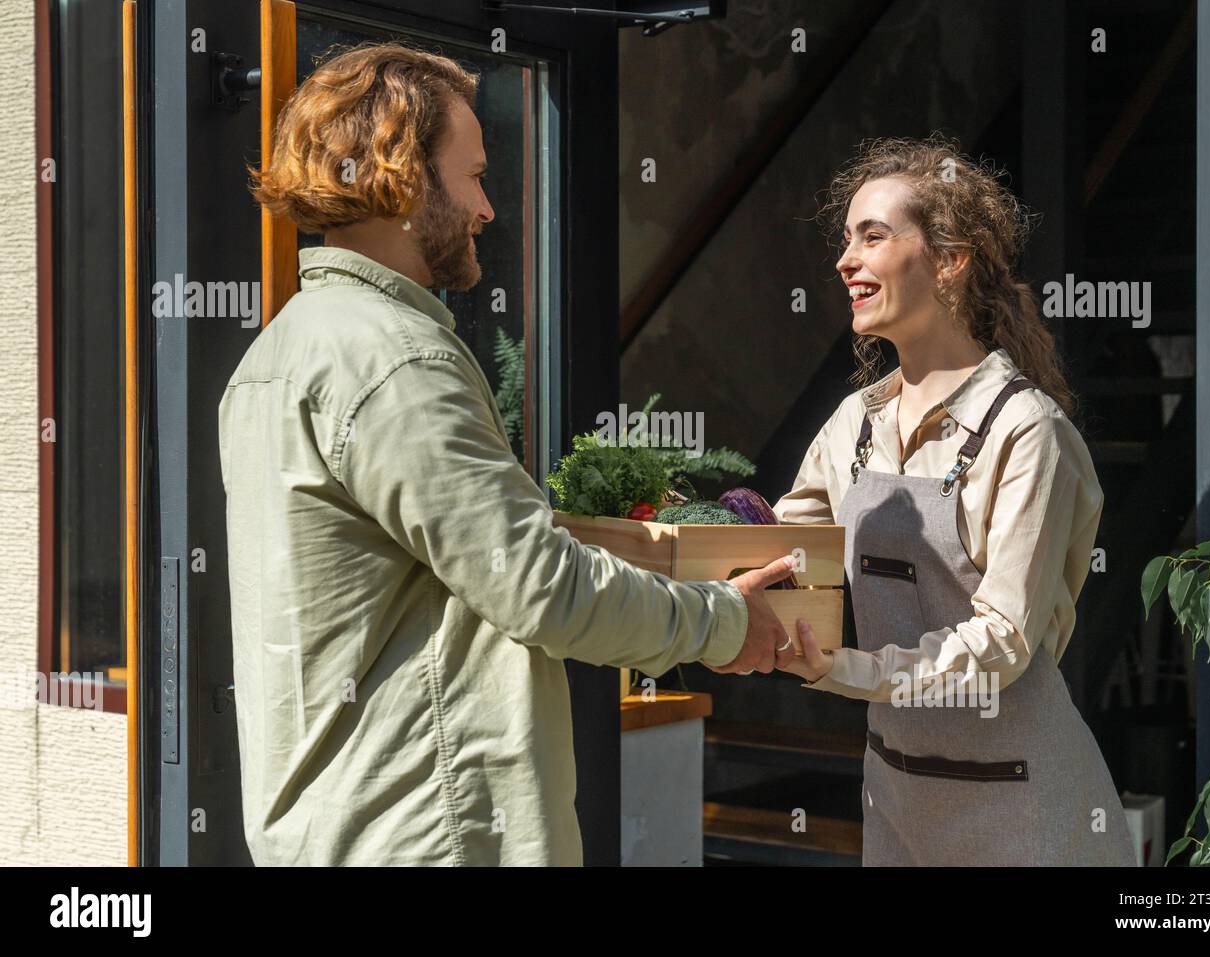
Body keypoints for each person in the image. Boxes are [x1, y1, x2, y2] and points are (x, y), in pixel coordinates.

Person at [218, 42, 799, 866]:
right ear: (403, 176)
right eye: (475, 175)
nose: (490, 207)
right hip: (430, 833)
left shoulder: (277, 356)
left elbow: (447, 562)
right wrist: (722, 623)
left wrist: (646, 557)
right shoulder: (397, 362)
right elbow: (538, 586)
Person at [775, 135, 1136, 866]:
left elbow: (1003, 640)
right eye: (846, 239)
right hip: (896, 796)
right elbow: (778, 551)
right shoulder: (855, 424)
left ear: (949, 260)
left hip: (1023, 803)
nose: (845, 259)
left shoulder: (1026, 429)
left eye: (872, 237)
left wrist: (848, 669)